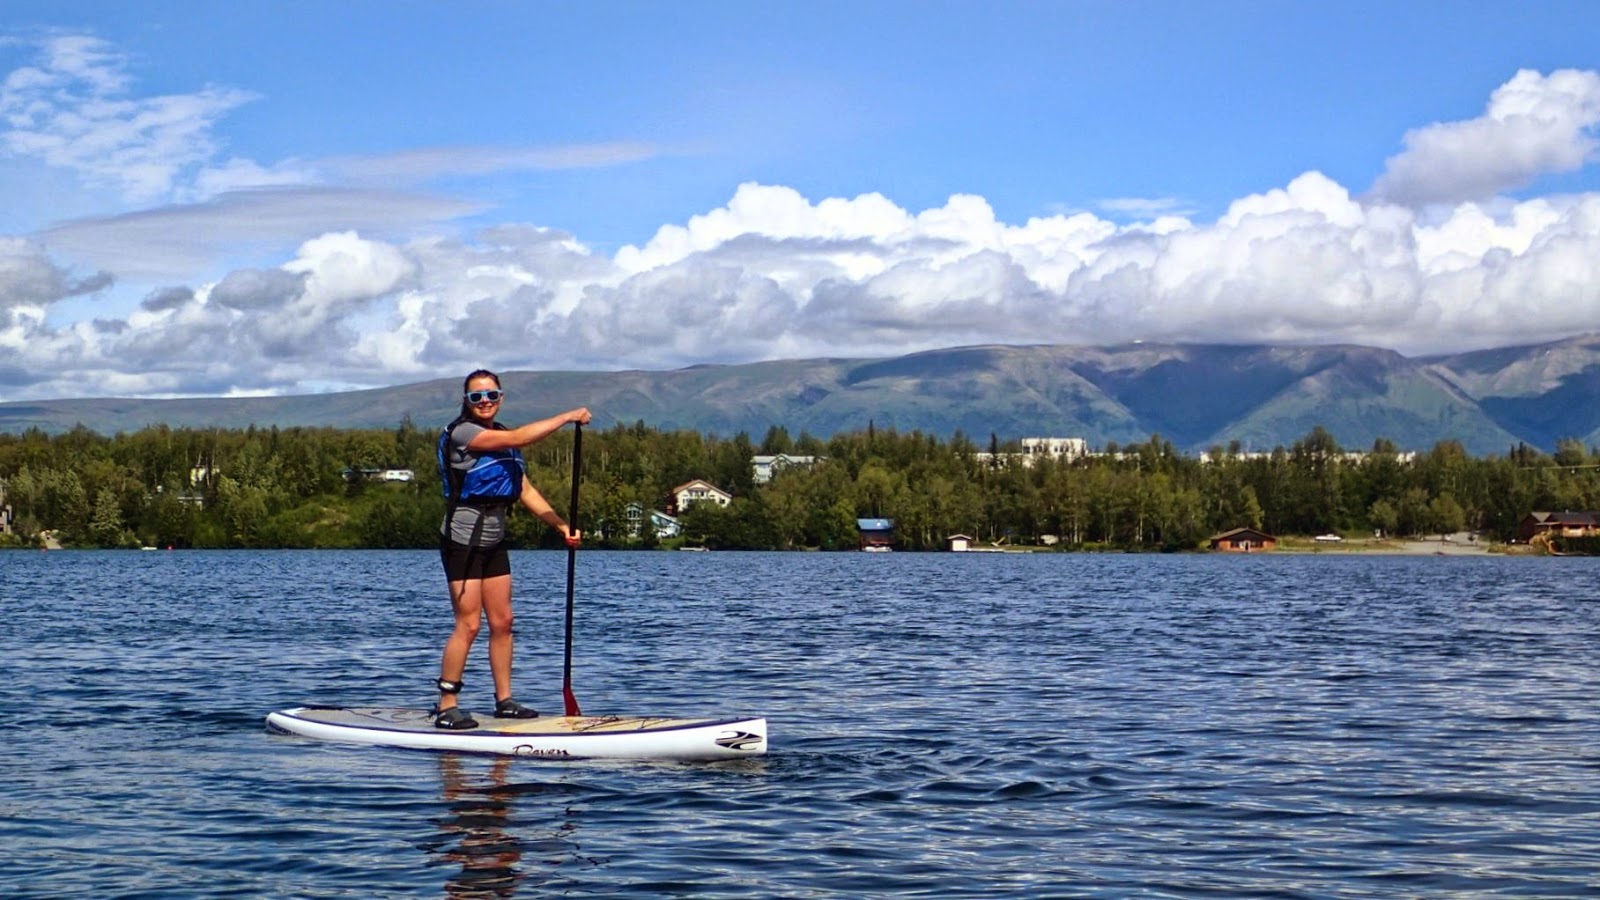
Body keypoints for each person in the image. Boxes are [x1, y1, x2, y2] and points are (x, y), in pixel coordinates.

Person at [433, 369, 592, 730]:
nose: (485, 402)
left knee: (504, 622)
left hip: (494, 538)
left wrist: (561, 525)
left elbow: (524, 490)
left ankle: (504, 701)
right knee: (469, 624)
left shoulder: (503, 438)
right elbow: (524, 436)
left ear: (501, 397)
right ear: (467, 401)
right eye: (477, 397)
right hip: (462, 540)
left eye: (491, 395)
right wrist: (567, 417)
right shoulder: (464, 433)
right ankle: (447, 704)